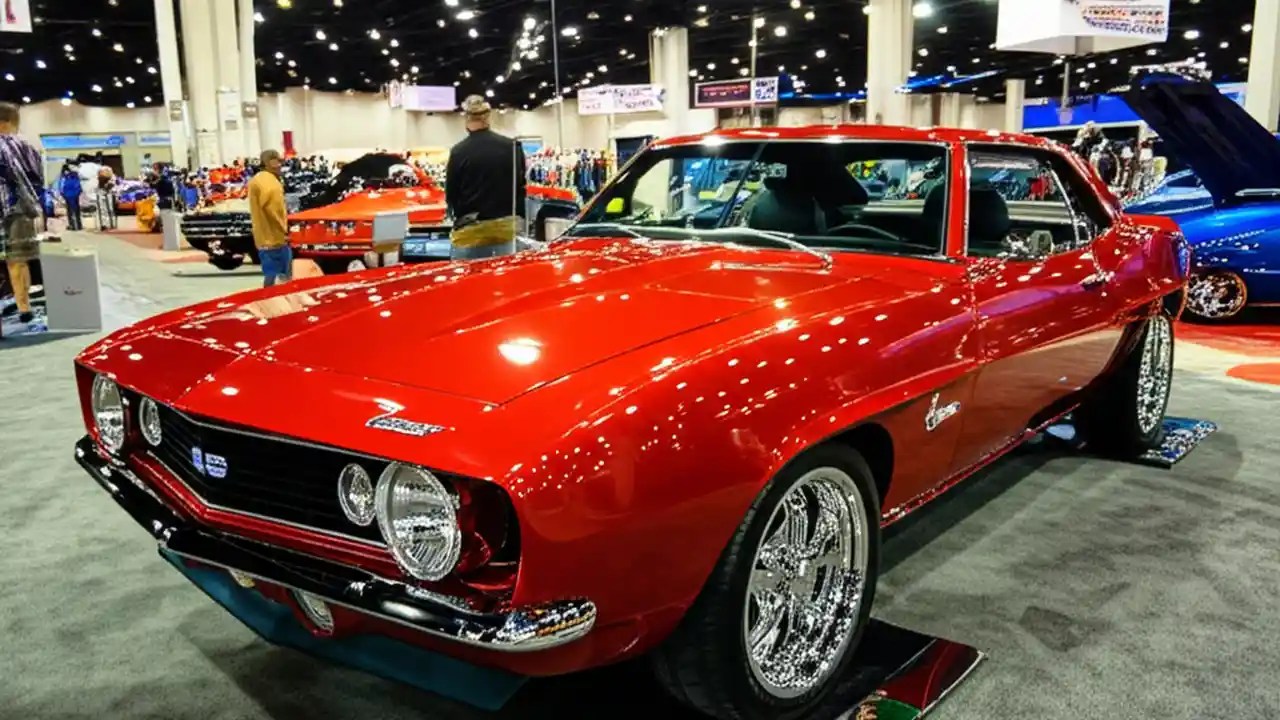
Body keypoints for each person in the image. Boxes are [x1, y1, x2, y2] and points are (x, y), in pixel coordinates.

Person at [445, 95, 526, 260]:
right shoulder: (512, 146)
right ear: (488, 117)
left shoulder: (458, 152)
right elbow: (520, 186)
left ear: (467, 118)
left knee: (467, 282)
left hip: (470, 234)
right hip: (505, 231)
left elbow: (451, 195)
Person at [0, 101, 44, 335]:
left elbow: (12, 176)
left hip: (7, 209)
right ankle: (24, 305)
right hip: (24, 211)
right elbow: (38, 177)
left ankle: (20, 305)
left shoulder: (3, 145)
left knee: (9, 261)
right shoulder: (27, 145)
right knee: (20, 260)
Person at [247, 148, 291, 286]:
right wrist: (284, 229)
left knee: (270, 272)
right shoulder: (270, 183)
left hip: (263, 238)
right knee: (279, 277)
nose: (280, 165)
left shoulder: (257, 180)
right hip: (275, 238)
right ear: (270, 162)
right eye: (277, 161)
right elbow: (274, 209)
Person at [59, 163, 83, 230]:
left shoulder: (64, 177)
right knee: (77, 210)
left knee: (70, 211)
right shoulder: (75, 175)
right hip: (76, 194)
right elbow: (80, 185)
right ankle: (79, 225)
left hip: (68, 195)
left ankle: (72, 225)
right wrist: (78, 192)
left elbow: (61, 187)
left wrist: (63, 195)